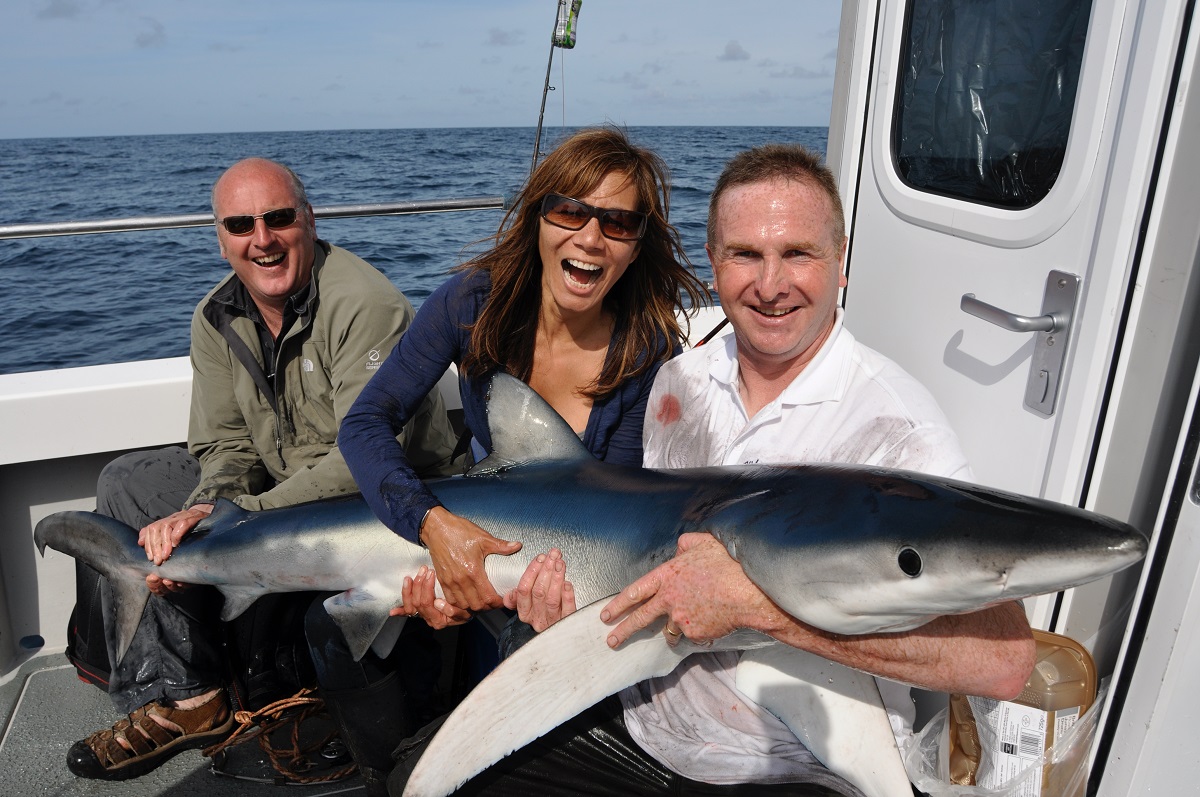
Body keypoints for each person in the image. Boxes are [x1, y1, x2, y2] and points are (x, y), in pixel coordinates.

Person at [389, 144, 1036, 796]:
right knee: (411, 774)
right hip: (643, 719)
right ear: (714, 260)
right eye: (745, 254)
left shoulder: (893, 427)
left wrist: (764, 611)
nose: (771, 283)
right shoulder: (679, 382)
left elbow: (1004, 660)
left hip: (796, 761)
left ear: (840, 261)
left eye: (798, 253)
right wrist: (548, 600)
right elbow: (636, 562)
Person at [333, 126, 708, 794]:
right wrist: (432, 527)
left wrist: (551, 601)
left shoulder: (646, 353)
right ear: (537, 215)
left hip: (570, 582)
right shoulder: (471, 303)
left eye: (619, 222)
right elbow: (365, 422)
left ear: (637, 243)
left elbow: (615, 513)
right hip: (469, 531)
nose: (590, 237)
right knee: (348, 628)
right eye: (570, 210)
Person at [64, 157, 458, 783]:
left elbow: (371, 454)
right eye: (241, 224)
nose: (263, 240)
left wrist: (238, 519)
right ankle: (192, 700)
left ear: (309, 219)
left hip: (383, 494)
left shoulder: (364, 303)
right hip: (279, 491)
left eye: (278, 219)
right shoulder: (214, 318)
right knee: (129, 485)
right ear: (220, 238)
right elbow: (224, 447)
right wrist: (205, 506)